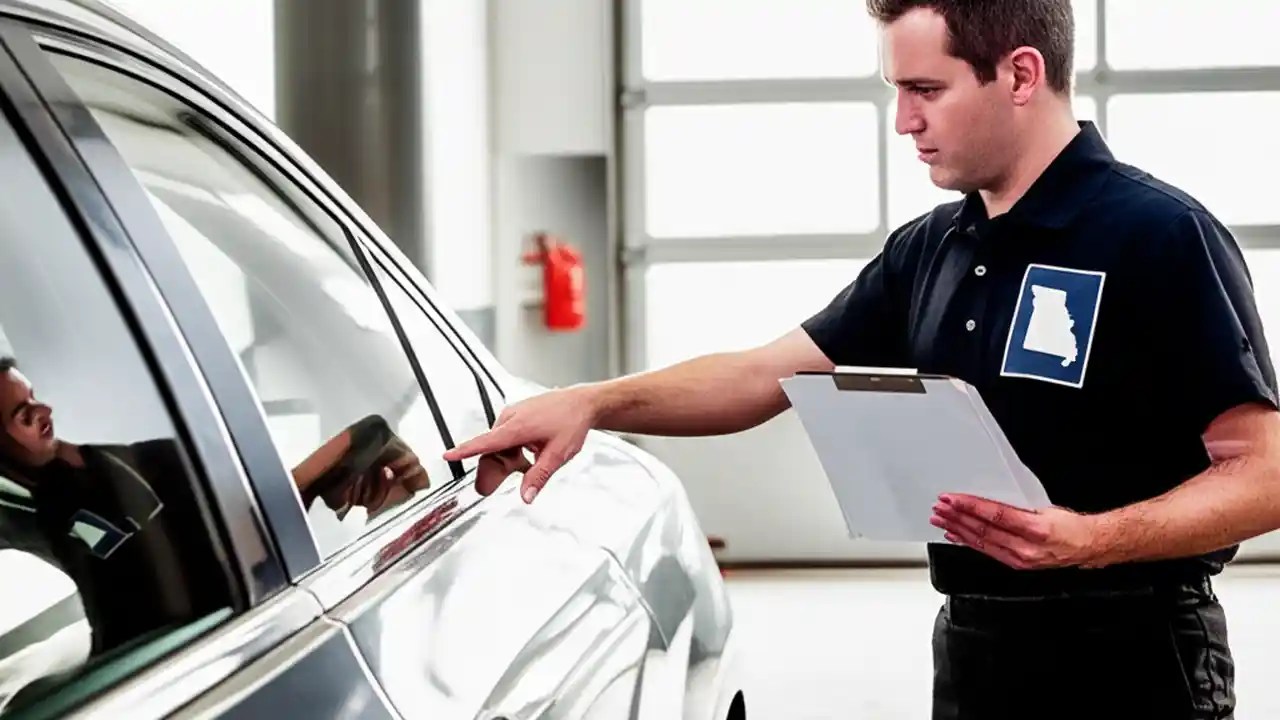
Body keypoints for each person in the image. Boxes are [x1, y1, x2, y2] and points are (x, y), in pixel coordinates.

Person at [443, 2, 1280, 718]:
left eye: (926, 91)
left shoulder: (1160, 235)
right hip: (973, 646)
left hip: (1135, 657)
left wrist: (1088, 540)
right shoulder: (931, 250)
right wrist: (592, 401)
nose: (903, 122)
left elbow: (1264, 473)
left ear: (1021, 74)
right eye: (897, 93)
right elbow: (760, 375)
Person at [0, 355, 428, 658]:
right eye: (23, 414)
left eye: (35, 396)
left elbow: (233, 515)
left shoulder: (137, 460)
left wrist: (320, 476)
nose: (45, 409)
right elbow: (189, 577)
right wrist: (328, 463)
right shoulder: (47, 516)